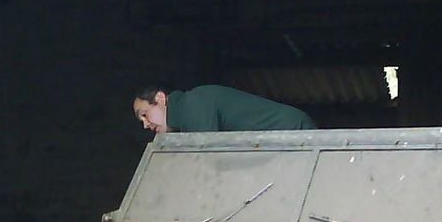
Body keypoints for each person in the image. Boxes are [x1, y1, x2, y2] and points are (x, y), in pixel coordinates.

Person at [132, 84, 316, 136]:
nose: (145, 125)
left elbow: (205, 155)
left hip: (292, 129)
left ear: (160, 98)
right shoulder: (189, 112)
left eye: (144, 115)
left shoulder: (193, 104)